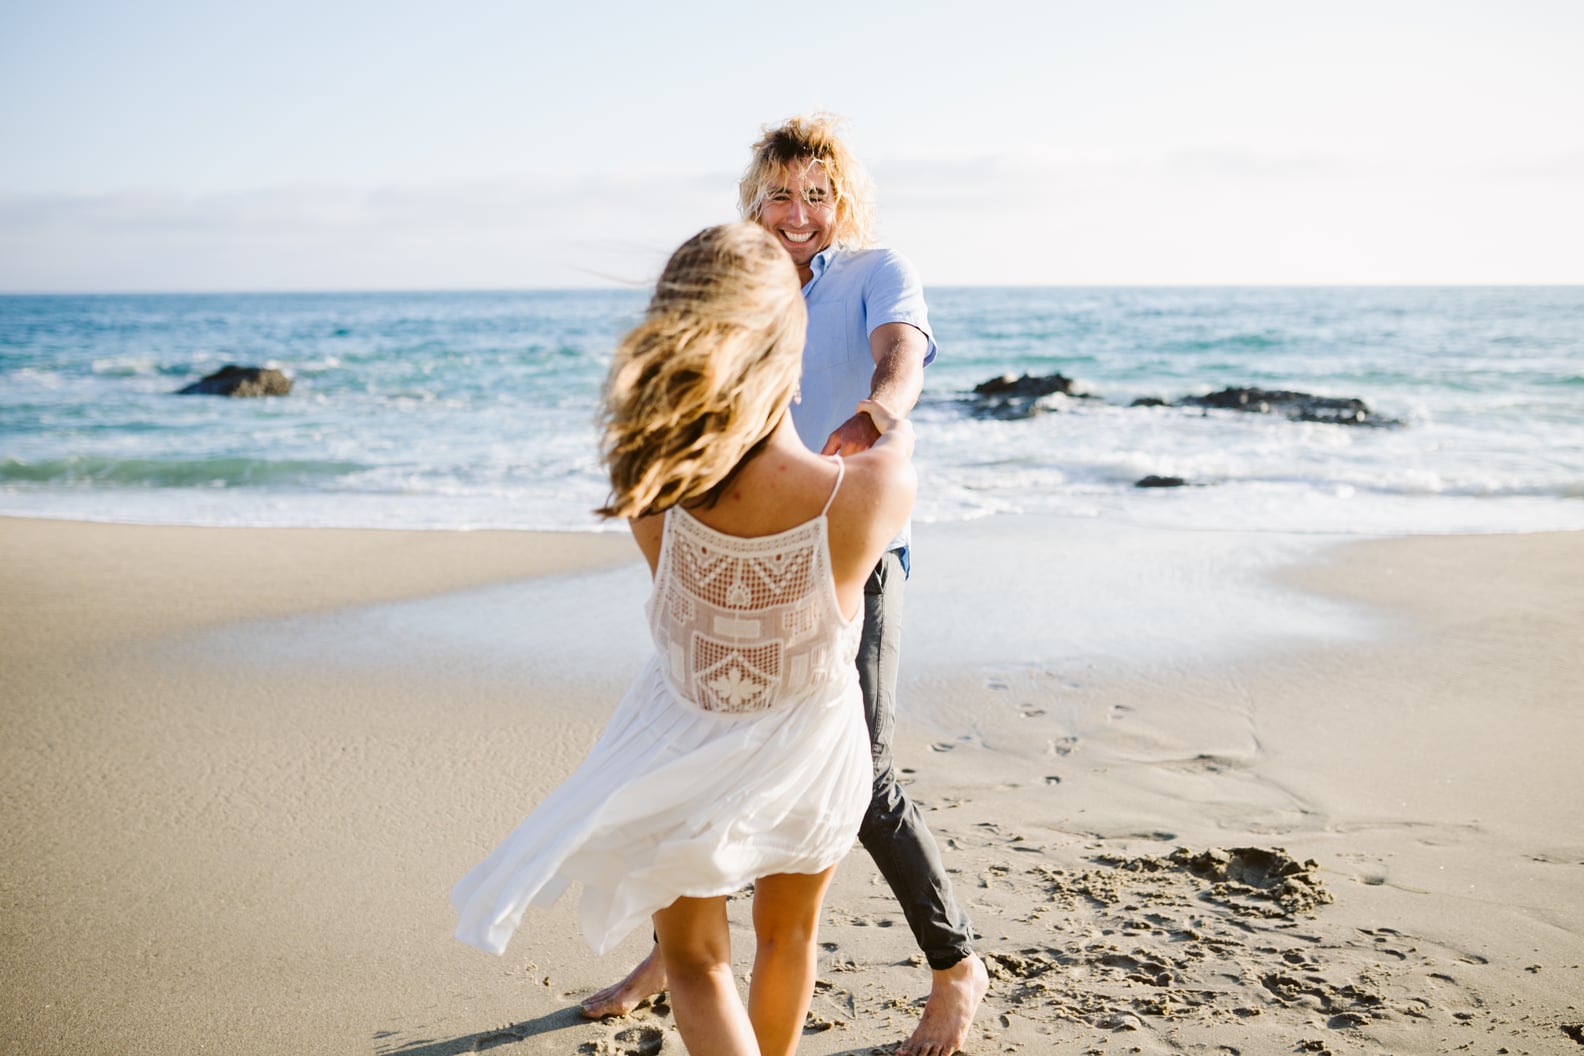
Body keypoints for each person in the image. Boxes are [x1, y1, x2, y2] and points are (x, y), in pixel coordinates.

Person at [452, 221, 918, 1056]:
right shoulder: (867, 493)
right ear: (791, 345)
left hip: (680, 729)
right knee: (788, 938)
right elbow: (893, 435)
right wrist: (881, 402)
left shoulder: (643, 483)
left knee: (696, 960)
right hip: (810, 742)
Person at [582, 115, 989, 1056]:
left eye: (817, 193)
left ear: (842, 199)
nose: (799, 211)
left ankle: (954, 966)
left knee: (862, 770)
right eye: (780, 193)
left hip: (844, 545)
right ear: (753, 199)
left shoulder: (876, 270)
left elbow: (904, 351)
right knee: (713, 740)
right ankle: (680, 948)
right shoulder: (743, 279)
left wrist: (877, 412)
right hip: (730, 534)